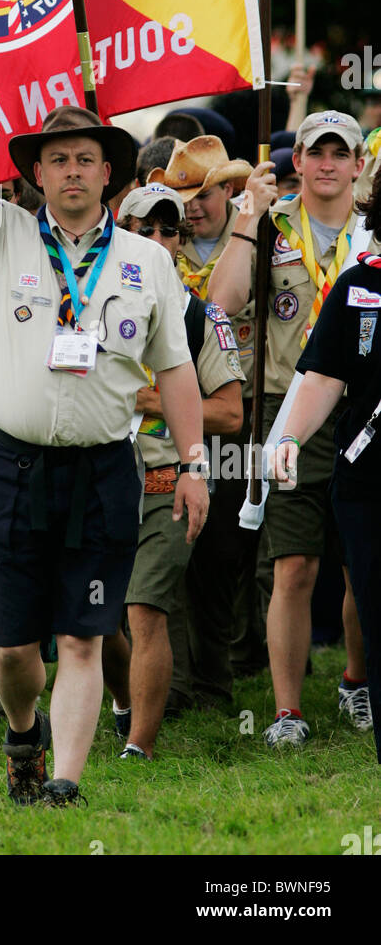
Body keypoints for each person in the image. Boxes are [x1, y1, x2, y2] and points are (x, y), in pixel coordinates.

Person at [0, 3, 207, 806]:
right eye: (59, 160)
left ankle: (65, 781)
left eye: (88, 159)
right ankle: (23, 731)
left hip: (103, 470)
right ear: (38, 174)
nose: (74, 171)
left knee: (85, 636)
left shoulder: (147, 264)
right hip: (15, 466)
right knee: (13, 646)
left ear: (109, 173)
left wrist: (194, 465)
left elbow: (179, 373)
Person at [209, 110, 371, 746]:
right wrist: (247, 217)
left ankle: (357, 683)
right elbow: (218, 305)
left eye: (340, 152)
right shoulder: (271, 231)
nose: (327, 163)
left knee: (363, 562)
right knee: (293, 566)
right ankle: (286, 712)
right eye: (315, 151)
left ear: (359, 165)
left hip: (364, 412)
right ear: (295, 161)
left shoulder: (375, 234)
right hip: (286, 412)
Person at [116, 184, 244, 759]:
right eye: (146, 229)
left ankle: (139, 745)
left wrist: (152, 400)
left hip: (170, 474)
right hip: (99, 471)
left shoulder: (202, 315)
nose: (159, 240)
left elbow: (229, 412)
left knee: (146, 606)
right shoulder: (87, 304)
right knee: (93, 615)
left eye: (171, 231)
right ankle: (125, 705)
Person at [270, 160, 381, 761]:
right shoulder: (361, 284)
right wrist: (288, 438)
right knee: (370, 595)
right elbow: (321, 378)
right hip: (366, 479)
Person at [145, 136, 258, 707]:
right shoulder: (149, 251)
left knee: (217, 557)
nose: (188, 208)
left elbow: (221, 302)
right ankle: (170, 688)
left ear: (229, 191)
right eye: (181, 195)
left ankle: (214, 684)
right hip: (144, 451)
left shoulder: (257, 235)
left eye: (203, 193)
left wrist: (152, 402)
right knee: (161, 572)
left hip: (226, 429)